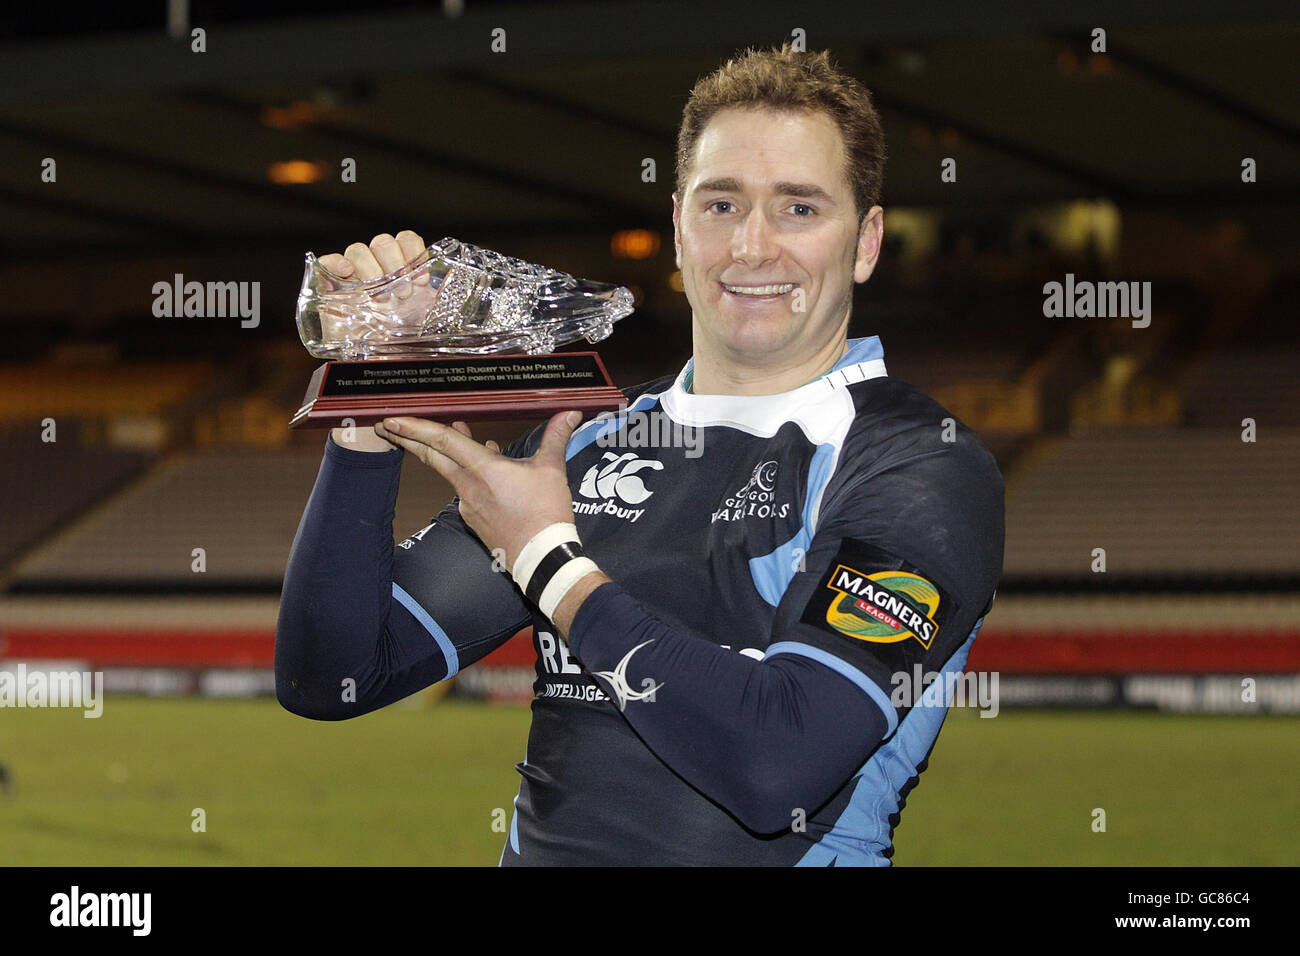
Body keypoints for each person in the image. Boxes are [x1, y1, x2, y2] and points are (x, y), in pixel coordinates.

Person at [275, 43, 1003, 865]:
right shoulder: (586, 444)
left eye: (800, 209)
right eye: (721, 205)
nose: (752, 247)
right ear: (677, 230)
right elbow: (329, 678)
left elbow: (779, 768)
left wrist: (549, 562)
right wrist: (369, 403)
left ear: (867, 241)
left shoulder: (916, 464)